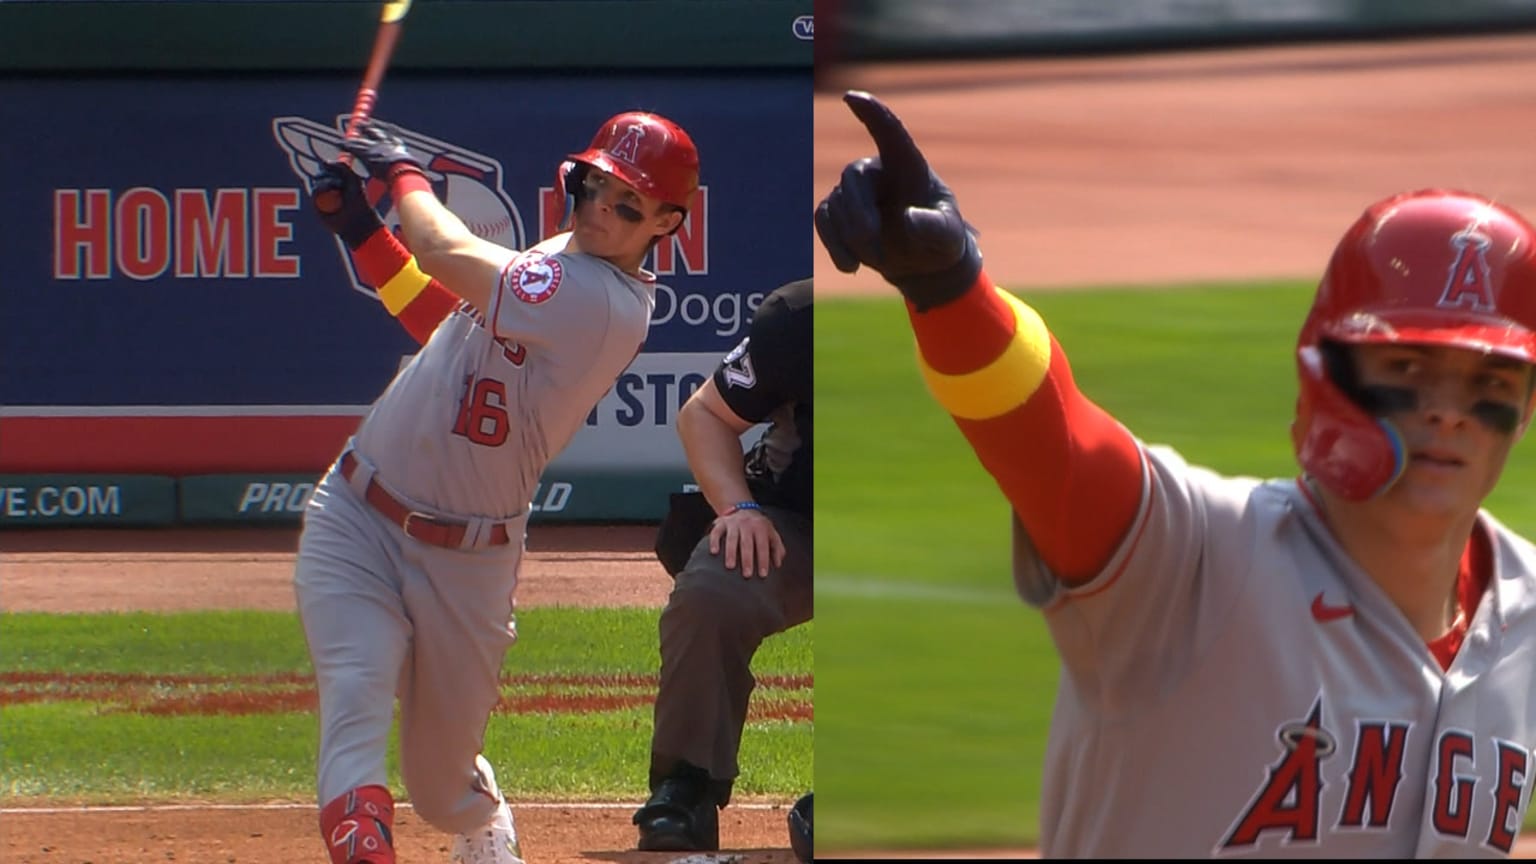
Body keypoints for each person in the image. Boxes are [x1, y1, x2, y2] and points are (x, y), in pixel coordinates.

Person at [815, 90, 1536, 858]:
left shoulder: (1523, 618)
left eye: (1489, 383)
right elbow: (1054, 442)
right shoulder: (1195, 560)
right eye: (1406, 367)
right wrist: (954, 293)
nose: (1449, 412)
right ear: (1330, 373)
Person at [295, 110, 700, 864]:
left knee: (439, 786)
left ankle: (481, 814)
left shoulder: (604, 304)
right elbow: (439, 319)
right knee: (356, 684)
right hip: (356, 511)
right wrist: (360, 230)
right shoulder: (561, 255)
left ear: (666, 221)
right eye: (596, 187)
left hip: (468, 557)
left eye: (628, 204)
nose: (602, 210)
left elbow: (439, 245)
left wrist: (400, 169)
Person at [631, 278, 813, 852]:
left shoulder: (987, 325)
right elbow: (705, 413)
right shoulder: (803, 317)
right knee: (714, 586)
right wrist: (739, 508)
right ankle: (686, 785)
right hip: (799, 521)